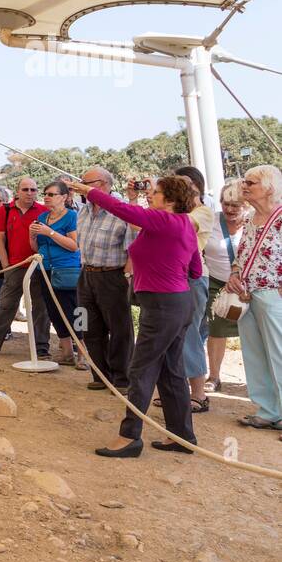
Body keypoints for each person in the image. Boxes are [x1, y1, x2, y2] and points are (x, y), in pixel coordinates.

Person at [67, 175, 202, 458]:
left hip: (163, 305)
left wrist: (91, 192)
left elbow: (125, 211)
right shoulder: (182, 225)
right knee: (170, 370)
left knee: (141, 370)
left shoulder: (165, 221)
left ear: (171, 200)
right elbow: (195, 271)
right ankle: (182, 436)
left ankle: (130, 437)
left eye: (156, 192)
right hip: (178, 301)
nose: (150, 195)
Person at [228, 164, 282, 432]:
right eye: (245, 182)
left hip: (273, 294)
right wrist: (235, 273)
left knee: (280, 354)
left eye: (251, 182)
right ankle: (268, 410)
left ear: (270, 187)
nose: (245, 186)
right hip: (247, 294)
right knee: (255, 353)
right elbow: (242, 253)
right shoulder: (250, 219)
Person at [0, 178, 50, 357]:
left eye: (33, 189)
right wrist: (6, 265)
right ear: (18, 191)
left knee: (40, 307)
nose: (30, 193)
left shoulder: (44, 211)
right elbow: (0, 239)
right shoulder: (5, 211)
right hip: (14, 266)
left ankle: (41, 347)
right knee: (5, 305)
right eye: (26, 189)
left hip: (39, 266)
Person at [75, 166, 135, 394]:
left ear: (102, 185)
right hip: (86, 274)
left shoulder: (122, 211)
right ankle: (100, 375)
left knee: (120, 329)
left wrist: (126, 278)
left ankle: (122, 379)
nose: (80, 186)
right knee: (88, 327)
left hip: (113, 275)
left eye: (85, 183)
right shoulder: (84, 210)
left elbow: (132, 250)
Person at [161, 166, 214, 414]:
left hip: (192, 279)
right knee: (172, 337)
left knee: (190, 335)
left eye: (181, 184)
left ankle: (199, 394)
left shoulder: (202, 213)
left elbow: (176, 226)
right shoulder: (174, 213)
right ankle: (178, 392)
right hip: (171, 279)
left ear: (195, 186)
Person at [30, 181, 82, 367]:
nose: (46, 197)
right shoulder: (42, 217)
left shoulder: (72, 216)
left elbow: (74, 245)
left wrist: (50, 232)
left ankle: (83, 354)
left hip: (67, 270)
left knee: (74, 311)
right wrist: (32, 236)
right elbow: (37, 248)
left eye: (51, 194)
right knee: (53, 311)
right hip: (45, 270)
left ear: (64, 197)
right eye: (45, 193)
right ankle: (67, 352)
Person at [204, 179, 248, 392]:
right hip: (217, 285)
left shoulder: (253, 223)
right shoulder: (211, 221)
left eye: (236, 205)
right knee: (216, 330)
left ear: (246, 204)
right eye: (225, 203)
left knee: (253, 333)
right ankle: (213, 376)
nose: (230, 209)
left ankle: (258, 379)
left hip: (249, 288)